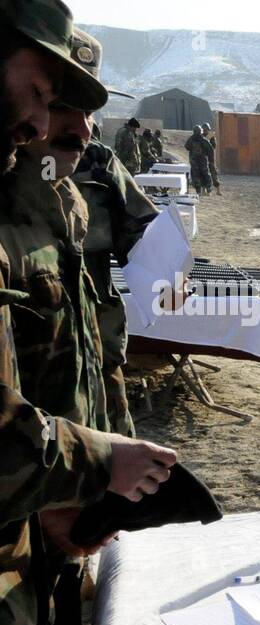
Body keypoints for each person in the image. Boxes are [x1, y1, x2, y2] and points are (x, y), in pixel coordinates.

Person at [1, 0, 181, 625]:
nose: (67, 124)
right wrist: (83, 473)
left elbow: (86, 355)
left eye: (77, 105)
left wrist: (99, 479)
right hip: (25, 506)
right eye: (50, 96)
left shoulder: (68, 203)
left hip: (63, 500)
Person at [69, 27, 156, 439]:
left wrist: (168, 277)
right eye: (62, 103)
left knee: (111, 467)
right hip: (18, 361)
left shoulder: (98, 162)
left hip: (97, 350)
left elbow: (144, 236)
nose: (82, 125)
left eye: (88, 110)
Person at [185, 124, 210, 195]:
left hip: (194, 160)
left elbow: (187, 147)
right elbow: (209, 149)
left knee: (196, 175)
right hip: (202, 160)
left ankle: (198, 191)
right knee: (205, 174)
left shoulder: (191, 139)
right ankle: (206, 190)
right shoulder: (203, 139)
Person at [202, 122, 221, 196]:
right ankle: (204, 191)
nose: (205, 130)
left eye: (206, 129)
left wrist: (207, 140)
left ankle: (218, 190)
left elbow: (213, 147)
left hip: (211, 159)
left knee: (214, 174)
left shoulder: (212, 137)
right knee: (204, 175)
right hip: (203, 159)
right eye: (204, 129)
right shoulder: (201, 137)